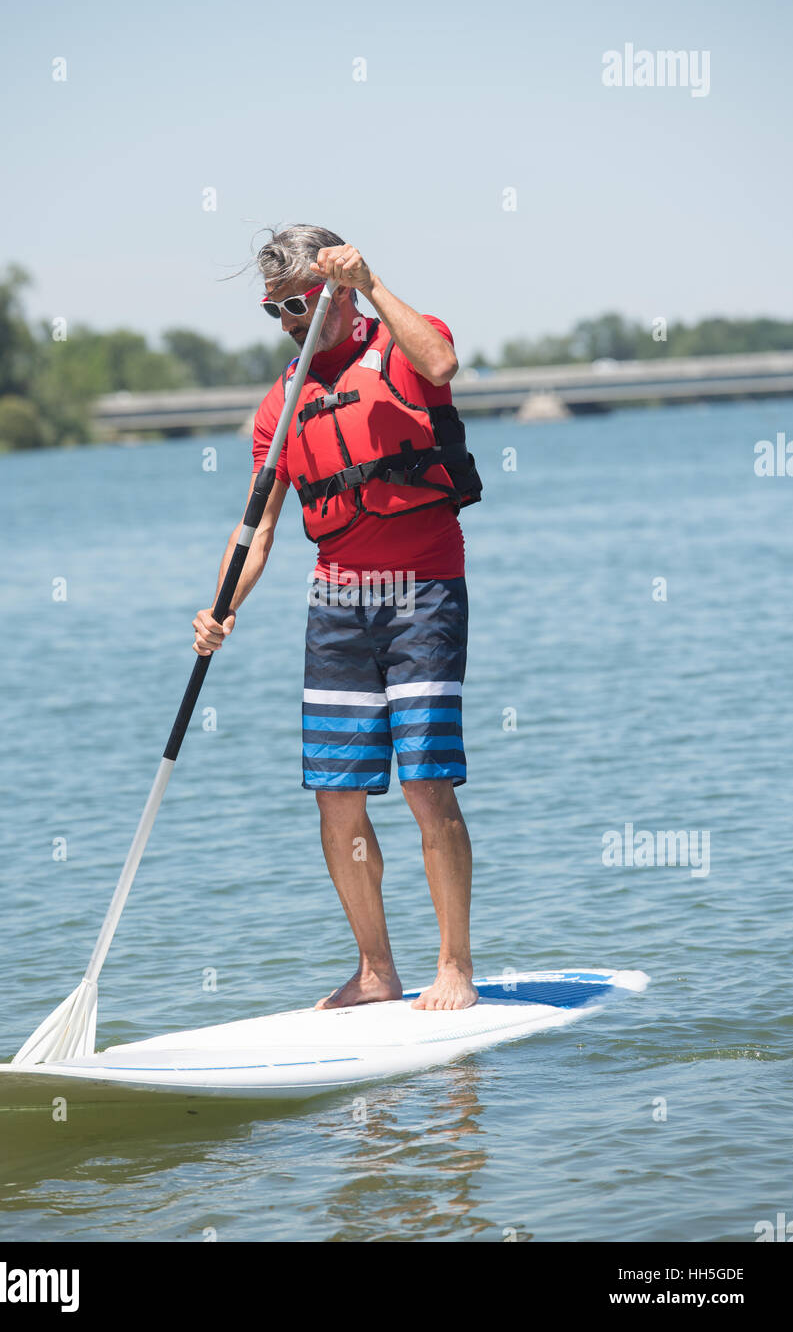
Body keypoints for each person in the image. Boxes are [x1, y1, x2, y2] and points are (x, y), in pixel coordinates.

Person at [193, 225, 481, 1010]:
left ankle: (454, 967)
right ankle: (377, 970)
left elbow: (445, 364)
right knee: (336, 794)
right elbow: (254, 529)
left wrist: (374, 278)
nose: (292, 319)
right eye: (276, 308)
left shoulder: (403, 344)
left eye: (303, 301)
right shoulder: (279, 407)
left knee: (427, 786)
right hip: (337, 606)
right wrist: (220, 609)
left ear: (339, 287)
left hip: (423, 592)